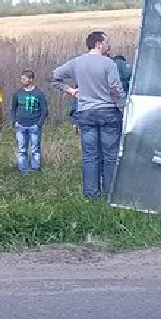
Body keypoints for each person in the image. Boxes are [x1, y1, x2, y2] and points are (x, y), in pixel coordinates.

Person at [51, 31, 125, 198]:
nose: (108, 46)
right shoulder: (109, 63)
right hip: (108, 113)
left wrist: (70, 90)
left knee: (89, 155)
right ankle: (110, 192)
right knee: (110, 154)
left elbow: (55, 77)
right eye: (106, 42)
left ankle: (91, 194)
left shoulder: (77, 62)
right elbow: (115, 90)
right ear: (98, 44)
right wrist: (123, 110)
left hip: (86, 113)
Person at [11, 69, 48, 174]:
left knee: (35, 148)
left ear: (31, 79)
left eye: (24, 78)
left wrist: (39, 123)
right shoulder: (18, 94)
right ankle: (23, 169)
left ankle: (35, 168)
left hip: (34, 125)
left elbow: (44, 110)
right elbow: (13, 108)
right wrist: (14, 121)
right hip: (21, 125)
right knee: (22, 148)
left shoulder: (38, 94)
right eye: (21, 78)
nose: (22, 80)